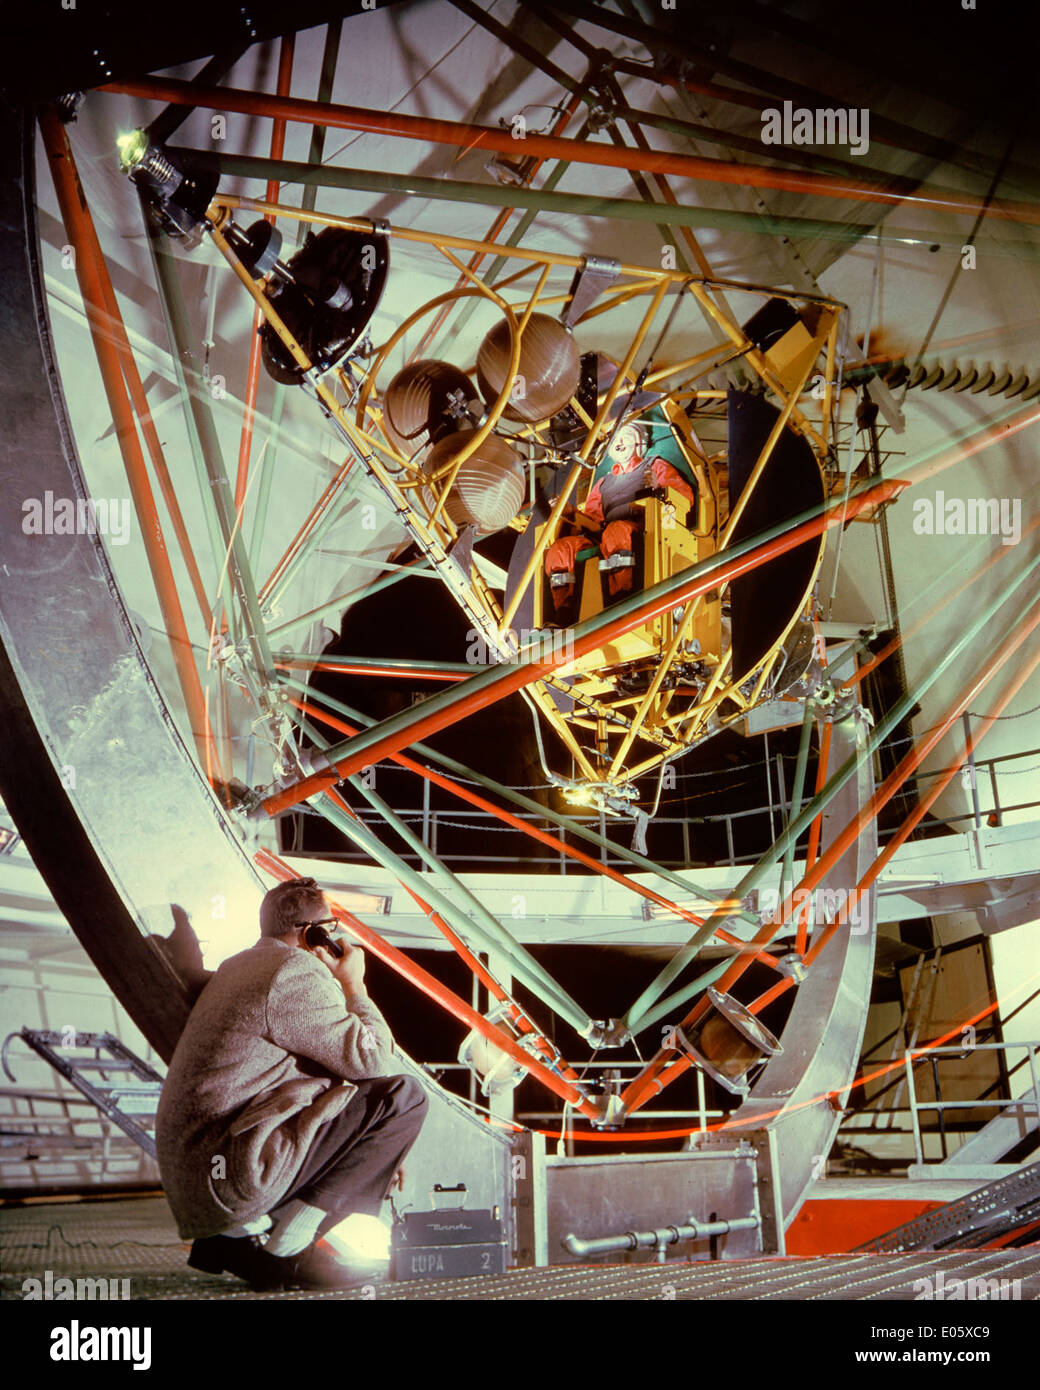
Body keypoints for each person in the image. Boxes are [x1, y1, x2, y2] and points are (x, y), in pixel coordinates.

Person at [155, 876, 428, 1291]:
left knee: (365, 1102)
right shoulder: (293, 970)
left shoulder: (238, 965)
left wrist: (380, 1147)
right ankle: (285, 1253)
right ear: (312, 933)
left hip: (200, 1173)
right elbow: (373, 1060)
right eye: (332, 927)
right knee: (404, 1097)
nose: (338, 936)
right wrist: (354, 984)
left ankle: (229, 1240)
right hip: (233, 1172)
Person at [544, 422, 695, 612]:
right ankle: (564, 609)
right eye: (616, 438)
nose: (620, 441)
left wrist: (658, 489)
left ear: (639, 444)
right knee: (560, 549)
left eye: (627, 437)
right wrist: (570, 513)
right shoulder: (603, 483)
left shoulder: (655, 466)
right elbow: (592, 520)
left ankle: (621, 596)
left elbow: (684, 497)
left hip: (644, 528)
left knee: (616, 532)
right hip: (605, 535)